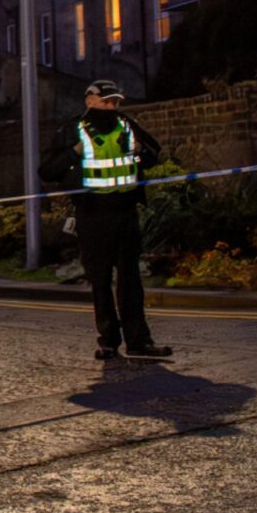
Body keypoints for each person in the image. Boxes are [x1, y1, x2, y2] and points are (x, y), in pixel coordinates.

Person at [40, 80, 173, 360]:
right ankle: (108, 341)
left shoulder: (126, 125)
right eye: (106, 101)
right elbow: (47, 170)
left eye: (115, 102)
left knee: (130, 279)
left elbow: (153, 155)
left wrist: (140, 152)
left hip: (125, 211)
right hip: (92, 214)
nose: (112, 106)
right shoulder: (72, 129)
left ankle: (139, 341)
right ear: (90, 100)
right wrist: (74, 152)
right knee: (100, 280)